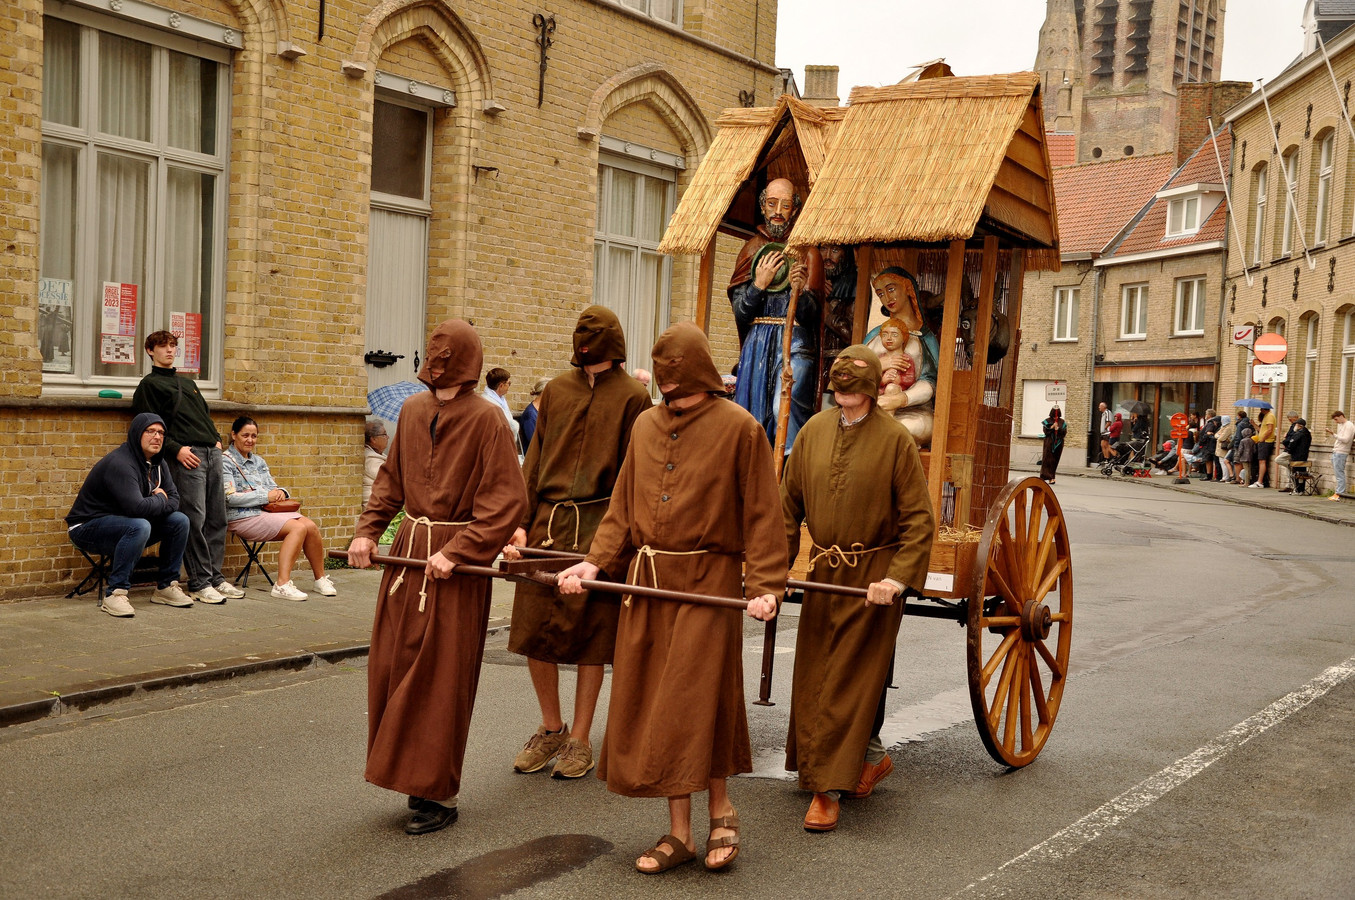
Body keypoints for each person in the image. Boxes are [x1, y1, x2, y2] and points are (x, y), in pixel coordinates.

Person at [556, 322, 786, 874]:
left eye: (684, 392)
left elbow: (761, 514)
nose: (675, 402)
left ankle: (722, 810)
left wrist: (765, 587)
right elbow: (622, 507)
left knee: (693, 701)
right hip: (649, 583)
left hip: (708, 585)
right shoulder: (644, 426)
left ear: (705, 379)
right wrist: (593, 561)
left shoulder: (740, 428)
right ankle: (680, 831)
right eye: (669, 392)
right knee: (659, 706)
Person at [347, 320, 528, 836]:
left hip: (457, 566)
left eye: (451, 358)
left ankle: (439, 792)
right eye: (435, 356)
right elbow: (391, 481)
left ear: (467, 363)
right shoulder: (412, 410)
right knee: (395, 664)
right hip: (410, 557)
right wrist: (367, 532)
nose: (440, 366)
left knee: (441, 678)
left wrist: (460, 550)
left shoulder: (488, 420)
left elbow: (504, 502)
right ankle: (409, 776)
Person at [780, 344, 935, 833]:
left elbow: (919, 521)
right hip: (825, 573)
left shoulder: (895, 441)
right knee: (812, 674)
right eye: (839, 390)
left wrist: (896, 578)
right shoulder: (812, 432)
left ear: (870, 391)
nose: (845, 399)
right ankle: (845, 762)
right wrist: (771, 574)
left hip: (874, 578)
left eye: (854, 391)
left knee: (847, 679)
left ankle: (827, 790)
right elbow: (786, 509)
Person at [502, 306, 651, 780]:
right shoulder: (557, 392)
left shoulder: (634, 397)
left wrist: (619, 540)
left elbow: (634, 473)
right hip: (547, 524)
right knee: (533, 629)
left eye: (595, 352)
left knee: (591, 635)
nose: (588, 361)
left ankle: (582, 739)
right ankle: (551, 727)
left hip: (600, 526)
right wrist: (520, 523)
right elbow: (535, 457)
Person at [131, 330, 243, 604]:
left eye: (173, 346)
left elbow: (204, 415)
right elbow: (147, 426)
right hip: (187, 455)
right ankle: (199, 581)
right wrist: (176, 450)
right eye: (163, 346)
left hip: (212, 453)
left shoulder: (188, 382)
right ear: (150, 351)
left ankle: (215, 577)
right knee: (195, 519)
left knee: (218, 518)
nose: (170, 351)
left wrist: (216, 440)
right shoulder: (149, 385)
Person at [66, 413, 192, 617]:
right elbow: (137, 509)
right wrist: (160, 498)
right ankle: (115, 593)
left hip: (125, 524)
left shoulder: (159, 463)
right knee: (140, 525)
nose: (157, 437)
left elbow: (175, 501)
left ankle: (166, 587)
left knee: (179, 521)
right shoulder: (121, 463)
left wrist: (155, 501)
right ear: (136, 434)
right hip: (86, 527)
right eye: (150, 431)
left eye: (161, 432)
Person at [729, 177, 823, 451]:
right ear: (763, 207)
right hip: (758, 345)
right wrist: (758, 284)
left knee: (786, 403)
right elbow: (741, 313)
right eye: (772, 204)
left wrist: (800, 291)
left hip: (794, 342)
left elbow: (813, 316)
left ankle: (787, 475)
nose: (778, 211)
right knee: (752, 416)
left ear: (794, 209)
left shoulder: (808, 253)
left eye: (785, 205)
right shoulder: (751, 249)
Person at [223, 416, 336, 602]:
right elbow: (229, 498)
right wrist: (264, 496)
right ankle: (282, 585)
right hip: (242, 516)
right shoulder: (225, 462)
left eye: (254, 436)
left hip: (267, 512)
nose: (250, 440)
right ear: (234, 435)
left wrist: (281, 492)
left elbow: (272, 486)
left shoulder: (259, 461)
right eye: (245, 435)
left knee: (311, 527)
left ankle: (320, 579)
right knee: (298, 528)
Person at [865, 268, 940, 444]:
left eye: (891, 289)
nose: (887, 298)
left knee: (918, 426)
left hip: (912, 410)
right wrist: (879, 364)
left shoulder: (925, 338)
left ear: (907, 288)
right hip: (873, 405)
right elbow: (856, 367)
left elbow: (930, 381)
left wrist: (901, 399)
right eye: (880, 293)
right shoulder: (876, 335)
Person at [817, 244, 857, 400]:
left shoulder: (855, 285)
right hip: (814, 364)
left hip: (838, 365)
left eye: (834, 250)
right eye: (823, 249)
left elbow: (852, 333)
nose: (827, 256)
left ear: (845, 254)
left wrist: (828, 314)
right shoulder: (813, 281)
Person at [875, 317, 917, 412]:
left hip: (896, 390)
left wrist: (899, 380)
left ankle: (888, 418)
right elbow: (873, 377)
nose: (889, 338)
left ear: (904, 338)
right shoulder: (880, 358)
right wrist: (883, 380)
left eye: (894, 335)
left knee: (891, 388)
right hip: (880, 391)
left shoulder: (905, 359)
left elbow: (910, 378)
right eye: (885, 335)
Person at [483, 366, 522, 450]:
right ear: (501, 386)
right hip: (494, 447)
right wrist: (514, 426)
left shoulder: (500, 398)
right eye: (509, 383)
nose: (509, 386)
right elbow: (506, 426)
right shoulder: (489, 402)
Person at [1326, 410, 1355, 499]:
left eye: (1336, 419)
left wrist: (1333, 434)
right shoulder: (1342, 425)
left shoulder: (1349, 425)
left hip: (1341, 452)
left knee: (1339, 473)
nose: (1336, 422)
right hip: (1337, 451)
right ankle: (1338, 492)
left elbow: (1346, 439)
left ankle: (1340, 493)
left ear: (1341, 416)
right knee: (1337, 473)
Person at [1278, 417, 1311, 493]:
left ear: (1299, 426)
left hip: (1296, 455)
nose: (1294, 426)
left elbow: (1292, 443)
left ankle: (1297, 489)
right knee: (1301, 473)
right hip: (1304, 456)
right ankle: (1301, 490)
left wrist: (1288, 449)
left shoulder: (1299, 434)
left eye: (1296, 424)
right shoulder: (1307, 433)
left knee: (1297, 473)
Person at [518, 377, 549, 452]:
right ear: (544, 393)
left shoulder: (542, 410)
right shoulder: (531, 414)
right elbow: (533, 441)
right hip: (533, 456)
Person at [363, 418, 388, 507]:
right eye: (384, 434)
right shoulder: (370, 458)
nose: (387, 437)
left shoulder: (378, 454)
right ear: (373, 439)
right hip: (375, 506)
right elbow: (389, 478)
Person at [1250, 406, 1277, 488]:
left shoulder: (1270, 416)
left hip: (1266, 441)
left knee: (1262, 461)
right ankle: (1259, 480)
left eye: (1261, 409)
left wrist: (1262, 439)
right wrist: (1253, 424)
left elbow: (1269, 430)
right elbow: (1261, 430)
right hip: (1263, 441)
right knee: (1260, 460)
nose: (1260, 410)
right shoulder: (1266, 416)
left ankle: (1260, 481)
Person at [1040, 407, 1067, 484]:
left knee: (1055, 460)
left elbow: (1064, 433)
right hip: (1049, 442)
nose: (1056, 417)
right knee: (1047, 459)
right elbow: (1045, 431)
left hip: (1058, 443)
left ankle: (1052, 477)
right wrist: (1051, 427)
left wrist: (1058, 429)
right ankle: (1044, 476)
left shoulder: (1062, 422)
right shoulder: (1047, 421)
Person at [1232, 412, 1256, 485]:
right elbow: (1254, 449)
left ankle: (1241, 480)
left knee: (1238, 463)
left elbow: (1238, 438)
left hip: (1243, 456)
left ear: (1239, 416)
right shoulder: (1250, 425)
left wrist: (1236, 446)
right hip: (1250, 456)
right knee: (1248, 469)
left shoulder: (1240, 425)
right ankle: (1246, 481)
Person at [1215, 414, 1235, 483]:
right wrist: (1218, 436)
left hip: (1223, 448)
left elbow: (1221, 438)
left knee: (1224, 462)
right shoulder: (1222, 427)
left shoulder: (1228, 428)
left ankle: (1226, 477)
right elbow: (1216, 434)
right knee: (1221, 462)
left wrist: (1218, 436)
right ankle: (1224, 476)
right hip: (1220, 447)